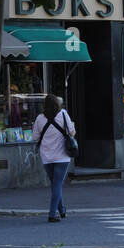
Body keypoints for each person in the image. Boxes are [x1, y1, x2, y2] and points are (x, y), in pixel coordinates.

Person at [32, 94, 75, 223]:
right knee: (57, 185)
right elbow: (71, 132)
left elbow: (35, 137)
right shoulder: (63, 114)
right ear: (57, 104)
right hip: (62, 156)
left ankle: (62, 210)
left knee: (55, 184)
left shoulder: (40, 118)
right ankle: (52, 214)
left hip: (46, 156)